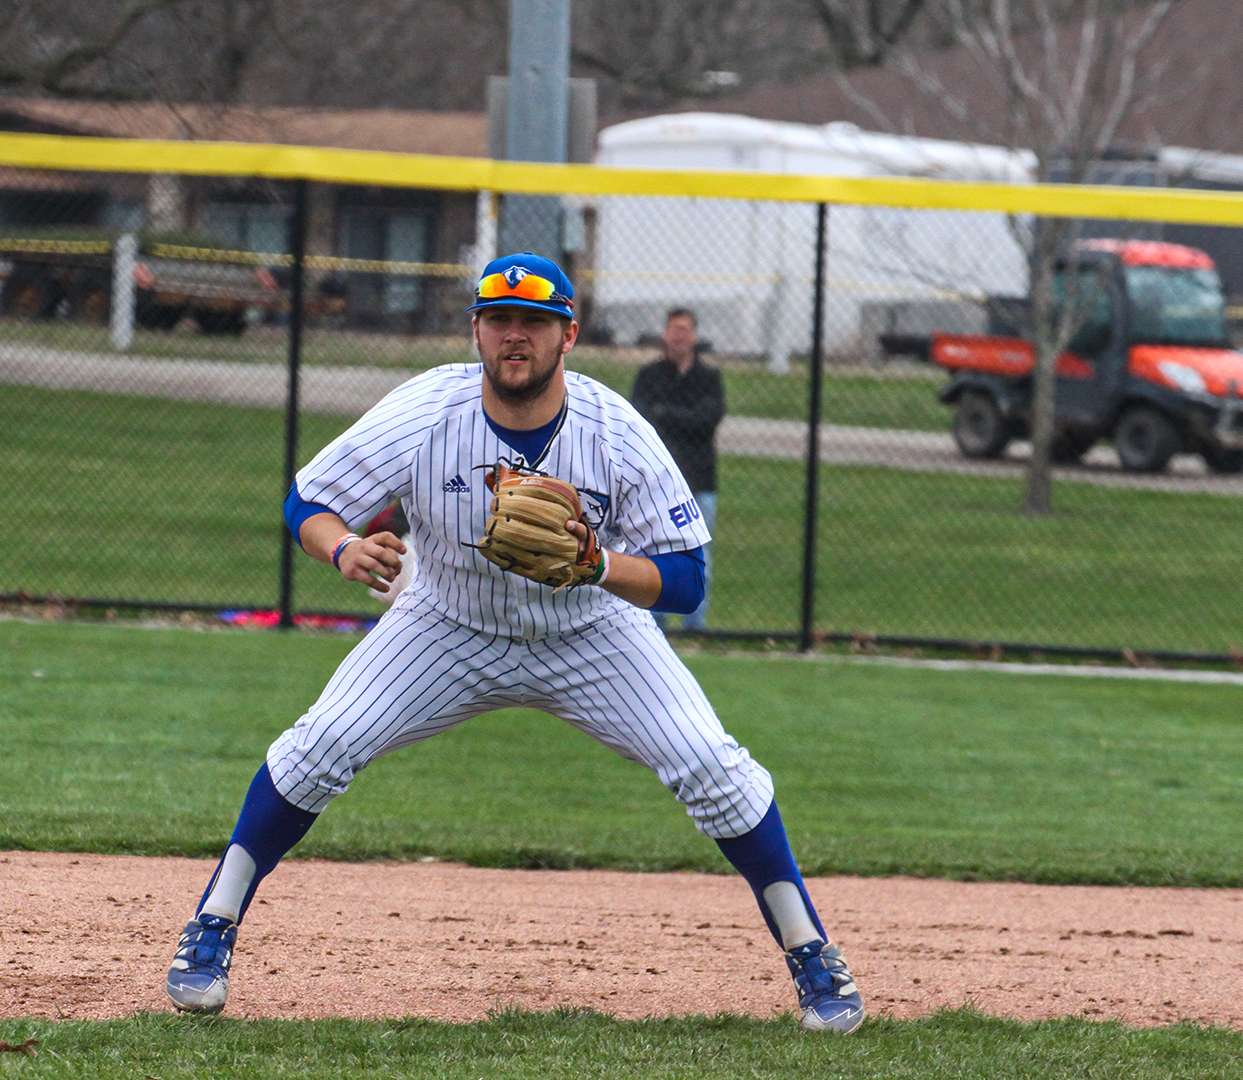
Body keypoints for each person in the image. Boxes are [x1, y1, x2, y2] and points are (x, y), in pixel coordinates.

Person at [163, 254, 864, 1034]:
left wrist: (599, 565)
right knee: (319, 744)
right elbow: (308, 500)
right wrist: (343, 548)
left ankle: (811, 953)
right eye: (499, 319)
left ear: (570, 335)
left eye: (535, 321)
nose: (515, 336)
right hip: (446, 625)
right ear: (476, 330)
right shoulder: (428, 409)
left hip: (590, 633)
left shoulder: (615, 431)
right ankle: (212, 924)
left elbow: (689, 579)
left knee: (714, 768)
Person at [630, 309, 724, 632]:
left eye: (684, 330)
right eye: (673, 329)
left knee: (699, 555)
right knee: (654, 552)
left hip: (699, 480)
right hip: (656, 482)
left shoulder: (709, 378)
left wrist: (666, 414)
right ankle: (654, 624)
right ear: (665, 334)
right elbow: (641, 418)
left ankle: (694, 625)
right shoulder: (649, 376)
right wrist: (684, 417)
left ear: (694, 336)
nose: (678, 336)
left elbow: (707, 420)